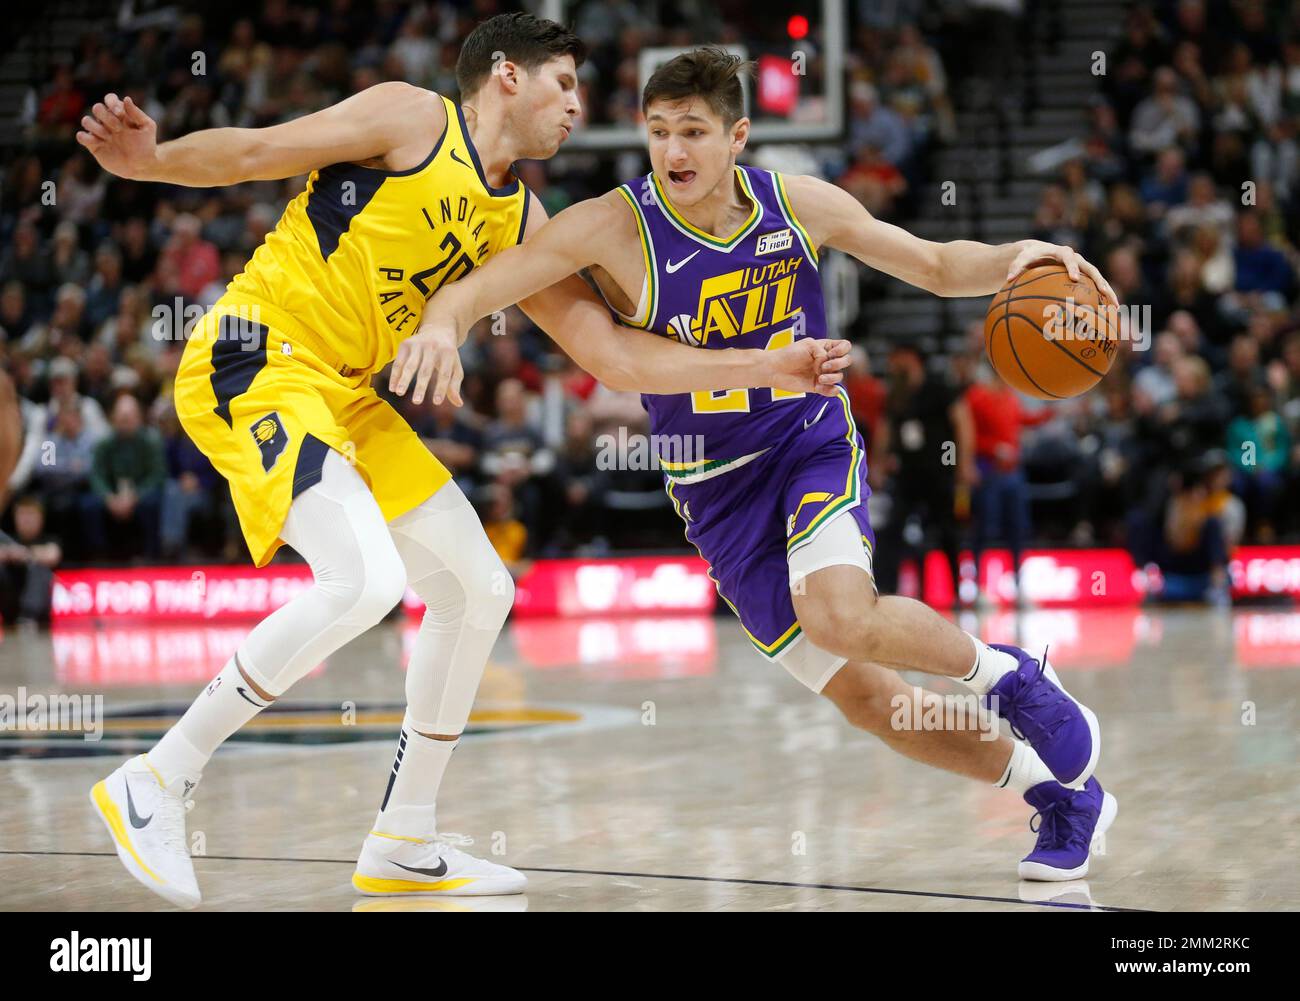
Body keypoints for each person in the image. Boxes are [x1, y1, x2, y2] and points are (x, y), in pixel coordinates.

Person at [76, 14, 848, 909]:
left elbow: (610, 354)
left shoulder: (522, 215)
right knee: (361, 582)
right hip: (258, 354)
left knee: (479, 587)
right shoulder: (413, 120)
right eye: (564, 86)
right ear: (508, 77)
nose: (577, 107)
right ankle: (157, 779)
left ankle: (404, 838)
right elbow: (258, 151)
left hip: (349, 395)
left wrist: (763, 362)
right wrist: (155, 158)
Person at [416, 47, 1121, 883]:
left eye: (694, 132)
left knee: (839, 613)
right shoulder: (615, 224)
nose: (673, 152)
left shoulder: (797, 206)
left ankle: (1013, 677)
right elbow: (496, 281)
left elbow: (930, 264)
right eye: (658, 133)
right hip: (715, 491)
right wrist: (442, 318)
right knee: (874, 701)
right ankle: (1062, 796)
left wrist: (1020, 258)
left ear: (738, 137)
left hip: (806, 444)